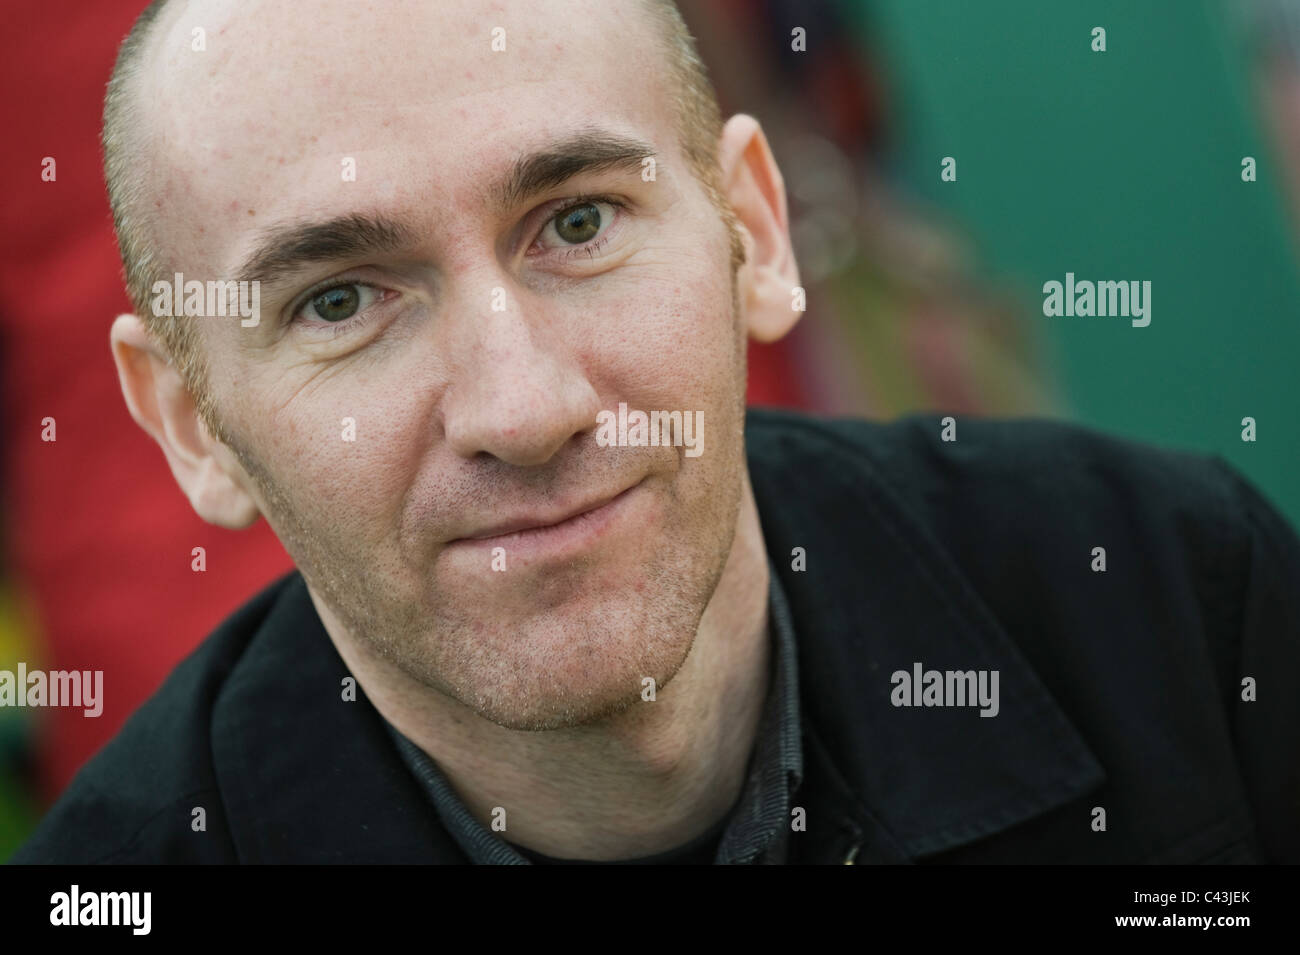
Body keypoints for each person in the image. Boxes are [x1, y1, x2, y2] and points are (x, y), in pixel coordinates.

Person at [10, 0, 1300, 864]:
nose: (523, 410)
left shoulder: (1177, 607)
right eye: (340, 302)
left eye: (578, 224)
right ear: (192, 427)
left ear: (755, 231)